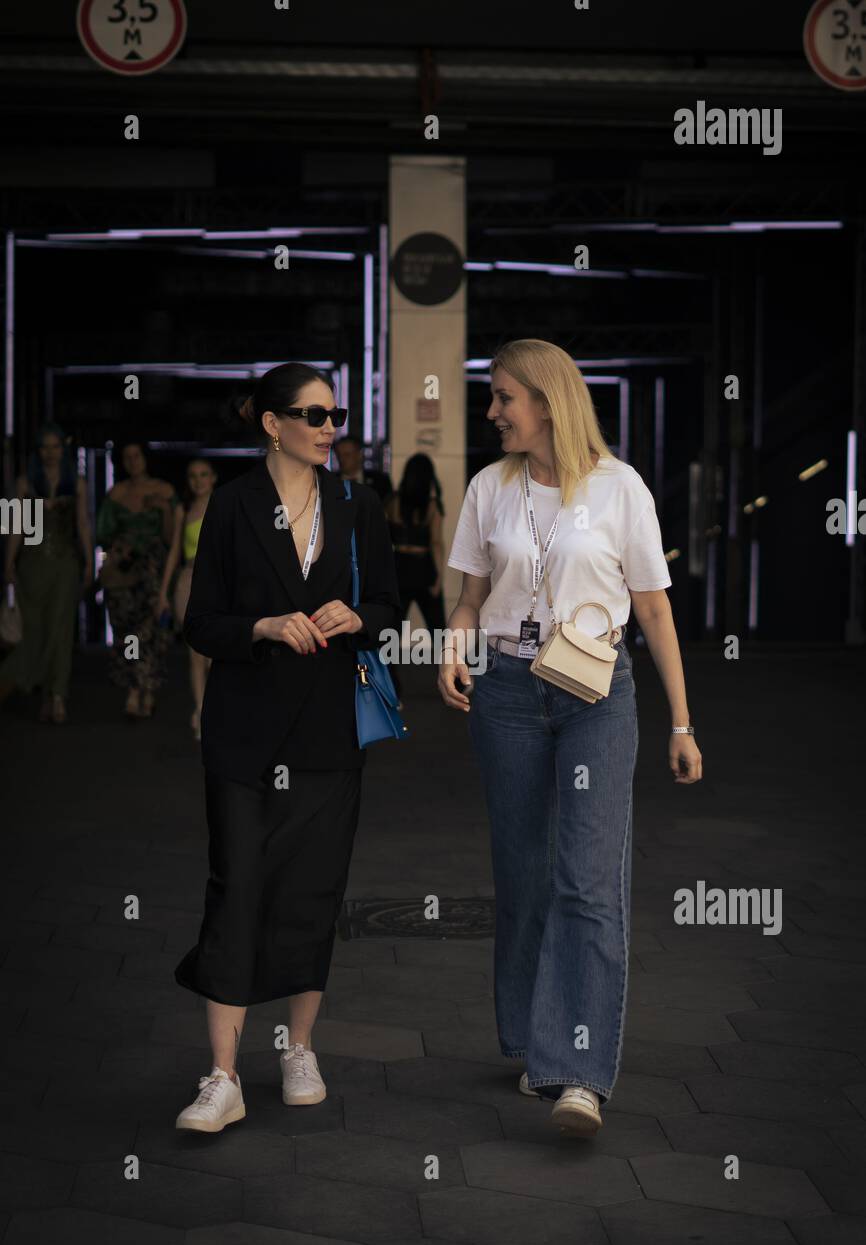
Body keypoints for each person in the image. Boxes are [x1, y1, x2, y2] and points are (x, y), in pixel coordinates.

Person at [438, 338, 702, 1140]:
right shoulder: (490, 487)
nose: (491, 413)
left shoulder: (621, 489)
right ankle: (530, 1040)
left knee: (587, 878)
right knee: (522, 874)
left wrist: (682, 723)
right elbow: (467, 598)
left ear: (548, 402)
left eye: (502, 398)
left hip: (596, 693)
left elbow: (653, 609)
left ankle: (579, 1072)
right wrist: (455, 647)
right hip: (510, 693)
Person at [174, 362, 400, 1134]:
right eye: (312, 414)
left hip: (330, 730)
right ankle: (223, 1075)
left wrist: (356, 615)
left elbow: (392, 608)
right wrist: (264, 627)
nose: (329, 426)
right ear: (272, 423)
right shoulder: (232, 506)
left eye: (334, 414)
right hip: (243, 733)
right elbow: (200, 624)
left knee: (312, 890)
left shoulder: (356, 503)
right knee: (237, 887)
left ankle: (299, 1049)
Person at [0, 424, 92, 723]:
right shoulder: (25, 482)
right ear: (38, 451)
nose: (50, 452)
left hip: (65, 561)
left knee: (61, 627)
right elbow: (16, 525)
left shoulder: (76, 482)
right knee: (34, 628)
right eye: (44, 447)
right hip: (32, 562)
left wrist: (90, 561)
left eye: (54, 446)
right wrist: (9, 562)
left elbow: (82, 524)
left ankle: (57, 696)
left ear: (61, 450)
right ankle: (38, 688)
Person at [94, 441, 179, 719]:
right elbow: (102, 534)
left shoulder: (164, 490)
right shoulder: (116, 494)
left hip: (154, 570)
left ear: (146, 457)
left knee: (152, 630)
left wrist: (163, 509)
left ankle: (146, 689)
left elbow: (171, 538)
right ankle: (134, 688)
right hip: (123, 568)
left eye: (137, 455)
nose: (132, 461)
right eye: (127, 457)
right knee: (125, 630)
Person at [156, 457, 217, 739]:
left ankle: (216, 711)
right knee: (196, 654)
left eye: (203, 475)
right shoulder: (184, 509)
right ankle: (202, 710)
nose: (198, 480)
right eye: (193, 475)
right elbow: (173, 554)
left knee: (215, 655)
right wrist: (163, 592)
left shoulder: (225, 505)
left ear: (213, 478)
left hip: (219, 582)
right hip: (188, 581)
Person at [384, 452, 445, 700]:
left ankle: (392, 689)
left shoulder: (393, 501)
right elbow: (437, 543)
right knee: (439, 630)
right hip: (423, 567)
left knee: (390, 633)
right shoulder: (432, 505)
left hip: (398, 567)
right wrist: (439, 580)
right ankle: (456, 682)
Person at [333, 433, 393, 505]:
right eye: (339, 455)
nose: (341, 459)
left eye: (347, 455)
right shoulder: (329, 482)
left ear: (359, 454)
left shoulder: (380, 481)